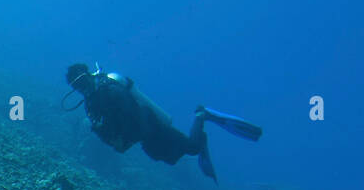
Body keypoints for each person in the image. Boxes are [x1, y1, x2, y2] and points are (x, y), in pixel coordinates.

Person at [64, 63, 262, 182]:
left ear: (89, 75)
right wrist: (112, 137)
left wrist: (125, 138)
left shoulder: (110, 90)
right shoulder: (91, 105)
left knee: (192, 148)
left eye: (82, 82)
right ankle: (201, 134)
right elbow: (106, 131)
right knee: (170, 159)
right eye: (76, 86)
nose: (81, 88)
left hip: (154, 128)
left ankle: (201, 115)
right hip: (143, 138)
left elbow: (133, 115)